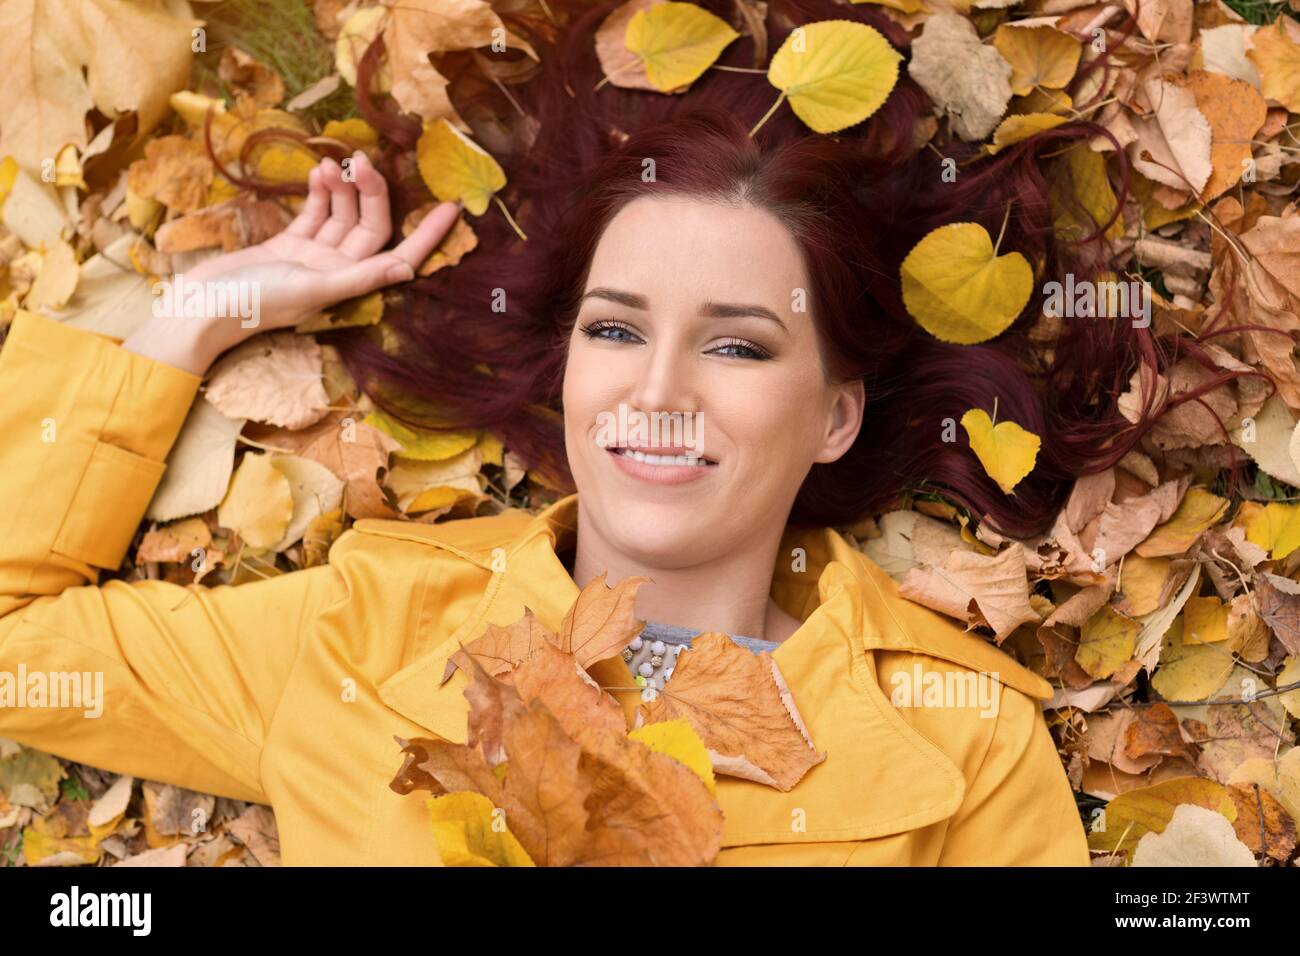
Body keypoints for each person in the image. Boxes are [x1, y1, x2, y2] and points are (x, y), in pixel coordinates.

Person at [0, 0, 1155, 865]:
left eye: (739, 345)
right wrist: (191, 319)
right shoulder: (362, 631)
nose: (657, 388)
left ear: (833, 416)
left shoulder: (960, 746)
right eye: (614, 330)